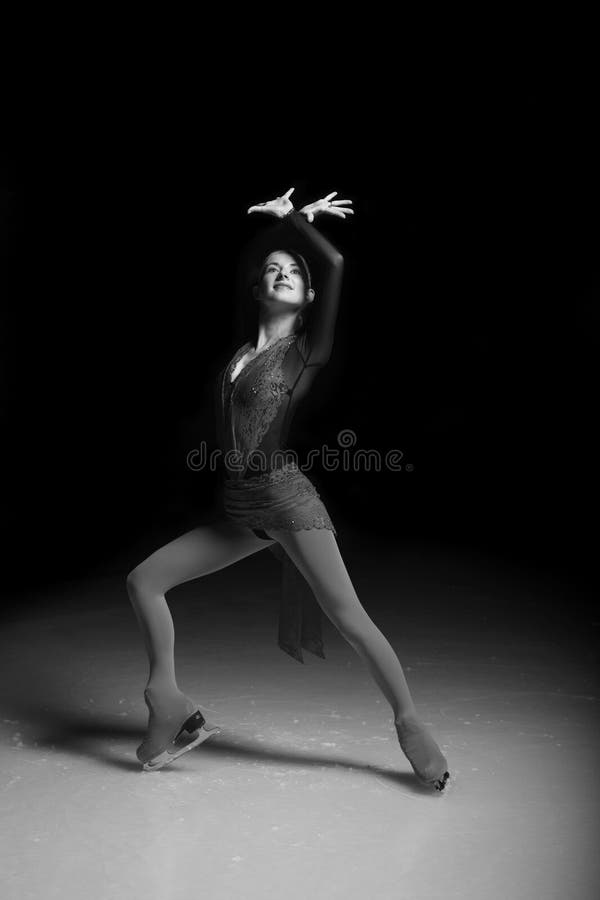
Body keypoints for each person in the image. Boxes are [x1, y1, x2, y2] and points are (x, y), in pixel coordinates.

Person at [126, 187, 450, 791]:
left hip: (284, 500)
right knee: (144, 581)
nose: (283, 274)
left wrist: (297, 221)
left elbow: (336, 265)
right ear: (256, 290)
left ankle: (411, 726)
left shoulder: (304, 351)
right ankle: (166, 700)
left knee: (348, 615)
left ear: (306, 298)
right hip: (241, 507)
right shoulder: (239, 358)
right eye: (272, 269)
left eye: (293, 274)